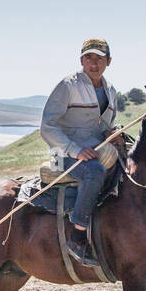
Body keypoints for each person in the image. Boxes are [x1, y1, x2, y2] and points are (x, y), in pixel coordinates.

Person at [39, 37, 121, 267]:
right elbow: (47, 126)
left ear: (109, 61)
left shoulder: (111, 90)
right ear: (81, 60)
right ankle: (77, 234)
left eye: (99, 59)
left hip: (94, 150)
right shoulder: (68, 86)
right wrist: (74, 150)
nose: (93, 63)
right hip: (63, 154)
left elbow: (102, 125)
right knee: (93, 172)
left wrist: (112, 133)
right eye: (88, 58)